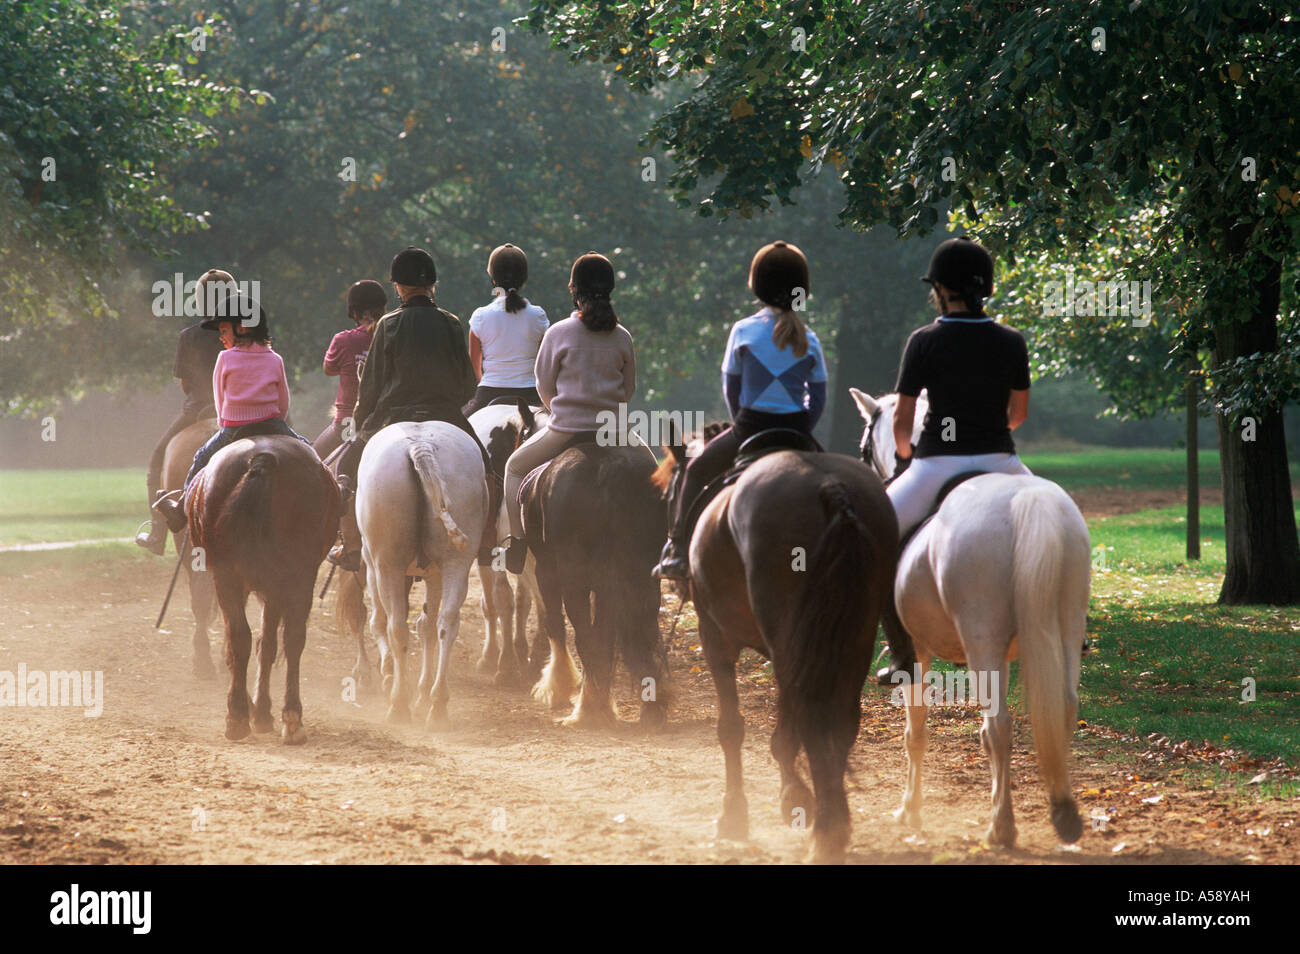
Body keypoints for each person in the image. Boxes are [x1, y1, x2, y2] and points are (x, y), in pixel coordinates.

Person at [875, 235, 1032, 683]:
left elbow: (902, 423)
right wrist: (989, 435)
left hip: (935, 465)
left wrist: (905, 458)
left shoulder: (923, 341)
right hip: (1002, 462)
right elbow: (1017, 415)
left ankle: (901, 653)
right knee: (1059, 516)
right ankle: (1072, 628)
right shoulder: (1010, 341)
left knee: (878, 533)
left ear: (942, 290)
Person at [652, 241, 827, 581]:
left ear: (757, 285)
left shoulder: (743, 331)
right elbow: (818, 400)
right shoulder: (811, 338)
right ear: (800, 289)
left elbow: (730, 389)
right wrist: (803, 429)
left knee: (697, 469)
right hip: (797, 434)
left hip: (750, 429)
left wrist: (743, 422)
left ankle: (676, 550)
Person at [327, 246, 490, 572]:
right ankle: (486, 543)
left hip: (391, 418)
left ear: (398, 287)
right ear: (433, 284)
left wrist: (361, 424)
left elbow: (370, 388)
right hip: (445, 415)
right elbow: (467, 386)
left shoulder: (388, 325)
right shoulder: (451, 323)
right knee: (489, 467)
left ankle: (351, 545)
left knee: (345, 469)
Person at [500, 251, 639, 574]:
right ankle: (665, 544)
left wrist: (559, 408)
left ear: (573, 289)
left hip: (564, 430)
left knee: (513, 468)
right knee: (654, 473)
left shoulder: (558, 333)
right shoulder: (622, 336)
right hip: (613, 430)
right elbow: (628, 390)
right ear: (610, 289)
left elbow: (543, 386)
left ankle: (517, 544)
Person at [152, 294, 312, 532]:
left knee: (200, 458)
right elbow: (283, 400)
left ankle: (180, 509)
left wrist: (225, 423)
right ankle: (328, 494)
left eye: (225, 330)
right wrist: (274, 420)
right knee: (308, 451)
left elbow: (220, 398)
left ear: (243, 327)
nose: (221, 336)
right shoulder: (275, 358)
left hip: (234, 428)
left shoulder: (225, 358)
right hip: (272, 424)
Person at [134, 268, 232, 554]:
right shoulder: (242, 333)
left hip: (197, 410)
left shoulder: (188, 336)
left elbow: (186, 384)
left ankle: (157, 531)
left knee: (156, 460)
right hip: (238, 410)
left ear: (201, 299)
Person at [462, 244, 550, 415]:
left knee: (458, 432)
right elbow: (544, 366)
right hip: (531, 393)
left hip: (489, 393)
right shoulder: (538, 316)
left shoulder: (480, 316)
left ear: (493, 279)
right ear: (523, 279)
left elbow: (475, 370)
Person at [313, 280, 385, 459]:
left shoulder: (343, 340)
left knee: (312, 461)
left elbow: (329, 369)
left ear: (354, 312)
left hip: (348, 424)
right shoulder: (393, 335)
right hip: (385, 422)